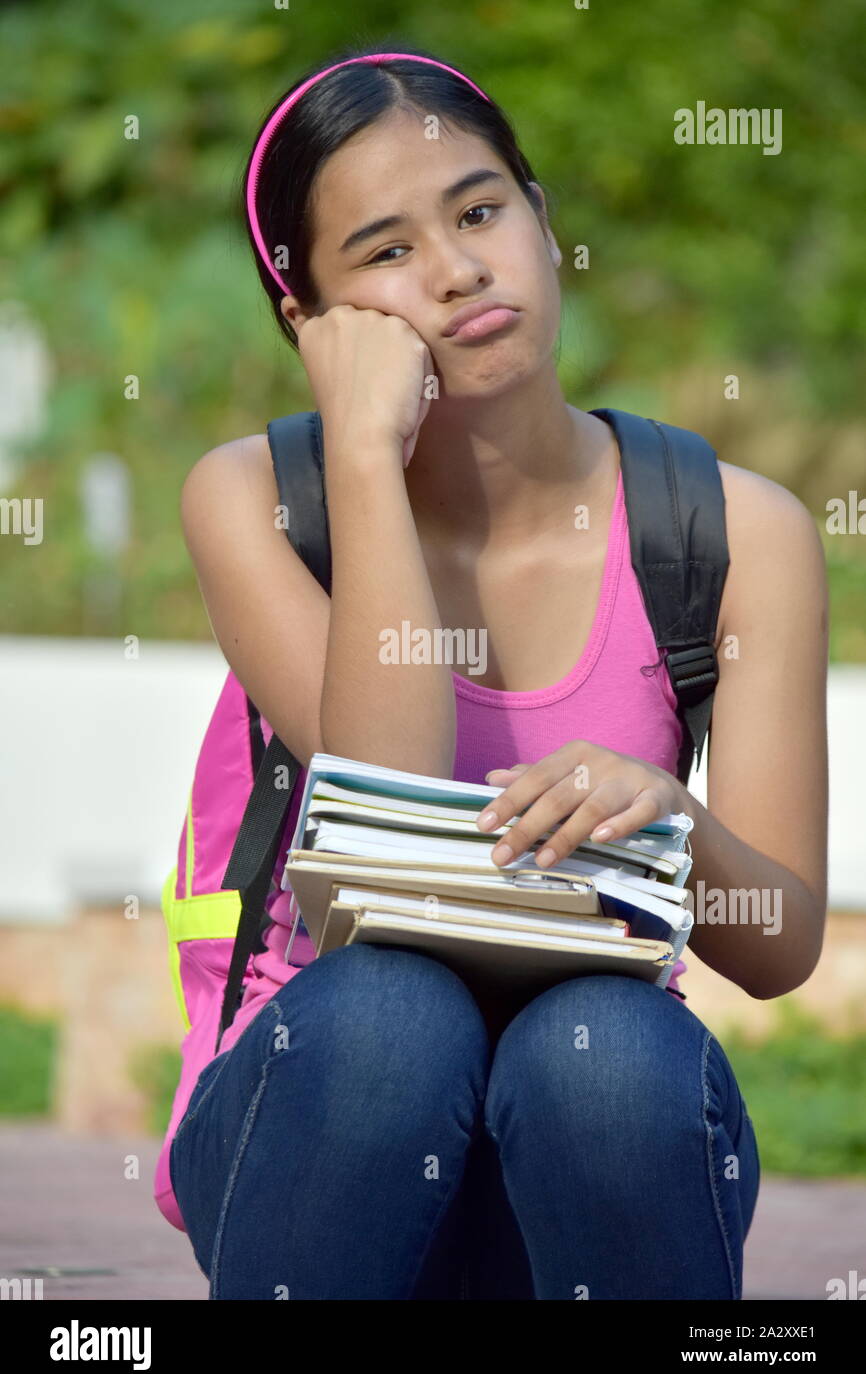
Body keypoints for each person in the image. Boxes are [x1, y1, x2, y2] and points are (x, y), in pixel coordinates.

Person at [168, 42, 829, 1300]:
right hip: (316, 1139)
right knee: (387, 1017)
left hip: (589, 1144)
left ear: (542, 218)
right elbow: (389, 796)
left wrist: (674, 815)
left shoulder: (732, 534)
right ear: (306, 317)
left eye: (479, 211)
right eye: (385, 251)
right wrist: (365, 456)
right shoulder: (256, 499)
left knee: (603, 1047)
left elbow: (775, 944)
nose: (460, 268)